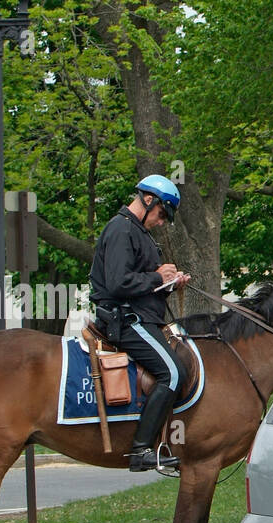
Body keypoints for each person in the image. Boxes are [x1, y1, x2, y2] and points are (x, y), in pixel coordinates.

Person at [89, 174, 190, 471]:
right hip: (126, 320)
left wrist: (170, 283)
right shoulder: (122, 229)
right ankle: (140, 450)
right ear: (148, 200)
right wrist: (159, 276)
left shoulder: (139, 232)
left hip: (141, 316)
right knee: (172, 373)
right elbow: (119, 283)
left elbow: (141, 284)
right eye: (161, 214)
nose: (161, 222)